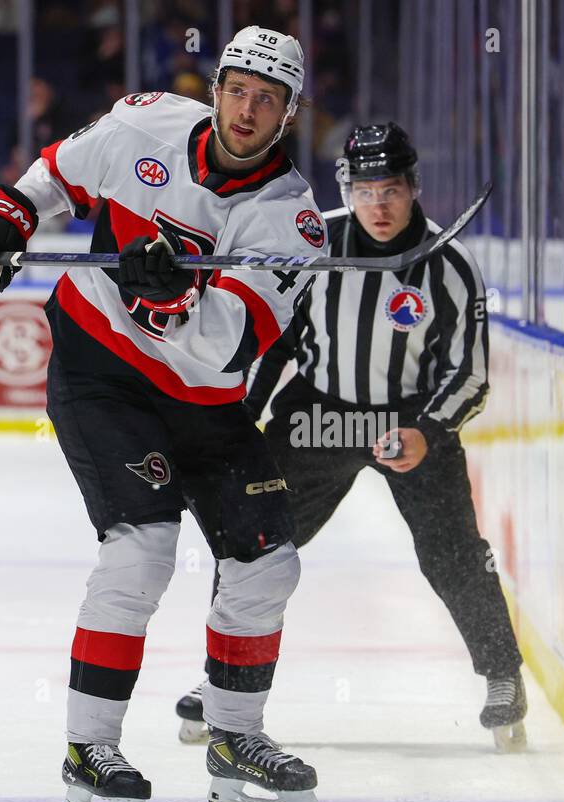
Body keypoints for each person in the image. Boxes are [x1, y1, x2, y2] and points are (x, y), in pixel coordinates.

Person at [0, 26, 326, 802]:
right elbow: (54, 176)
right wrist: (2, 216)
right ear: (215, 86)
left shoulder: (292, 221)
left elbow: (226, 348)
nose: (247, 109)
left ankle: (233, 739)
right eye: (237, 89)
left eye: (268, 99)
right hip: (102, 374)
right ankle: (89, 752)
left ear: (288, 116)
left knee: (268, 565)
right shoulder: (144, 121)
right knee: (143, 547)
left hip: (208, 400)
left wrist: (172, 297)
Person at [174, 123, 529, 753]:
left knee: (451, 555)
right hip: (318, 416)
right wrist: (243, 412)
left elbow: (469, 371)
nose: (379, 206)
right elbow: (274, 335)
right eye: (365, 191)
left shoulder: (449, 265)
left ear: (413, 188)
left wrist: (428, 430)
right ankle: (224, 681)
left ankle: (503, 675)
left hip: (409, 421)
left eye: (391, 189)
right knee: (255, 544)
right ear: (347, 190)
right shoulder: (316, 246)